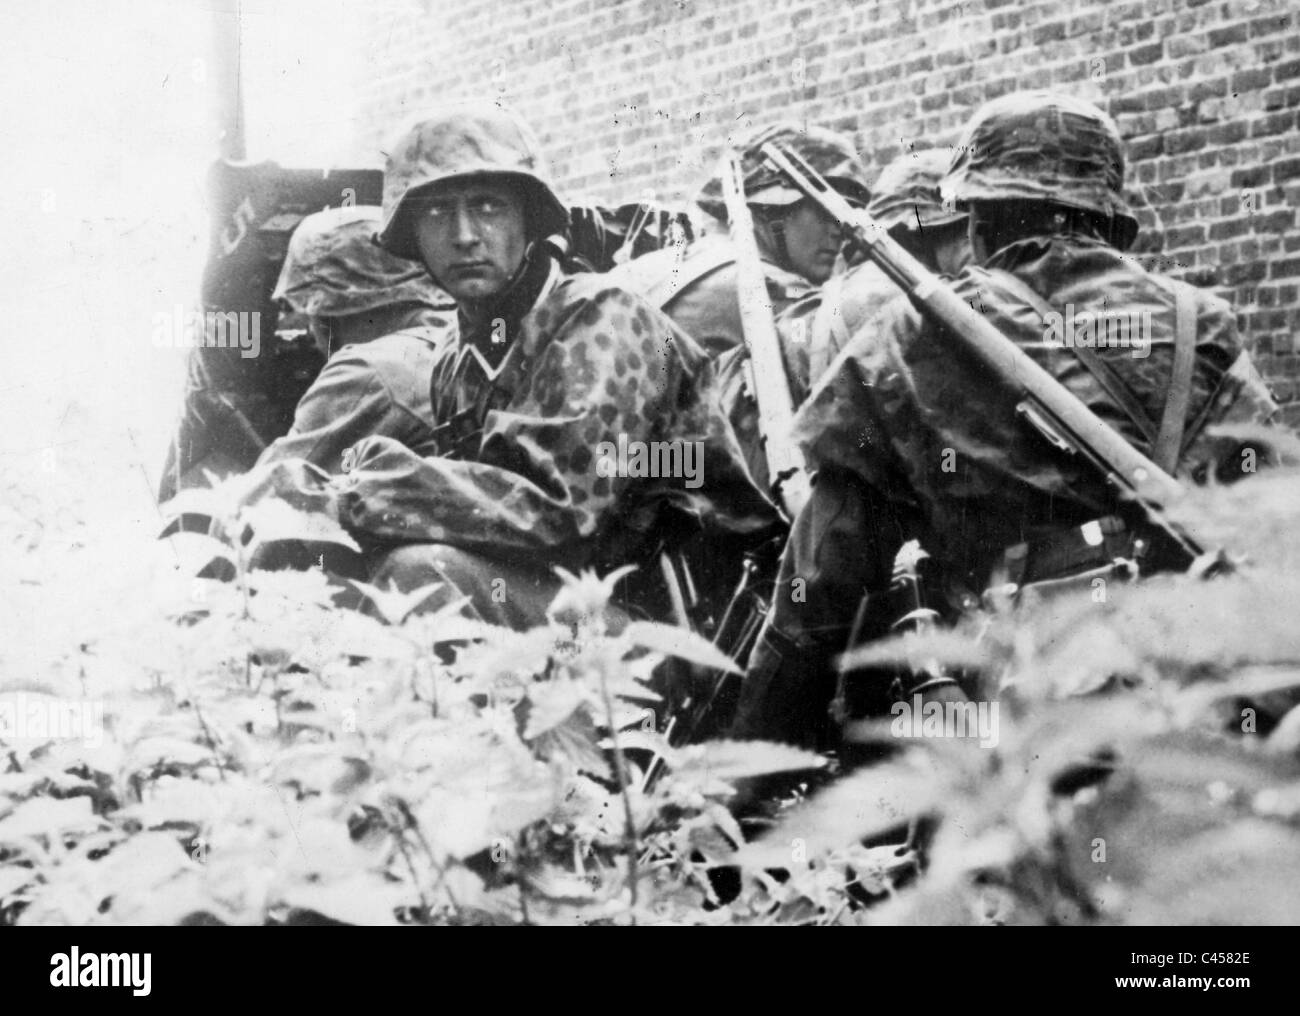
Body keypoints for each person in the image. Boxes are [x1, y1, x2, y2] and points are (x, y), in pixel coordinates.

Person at [731, 91, 1279, 749]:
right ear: (1111, 220)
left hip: (1013, 737)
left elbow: (816, 595)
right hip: (1199, 716)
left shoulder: (911, 340)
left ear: (976, 221)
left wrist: (745, 787)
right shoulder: (1202, 328)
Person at [240, 100, 778, 630]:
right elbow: (482, 510)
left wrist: (355, 489)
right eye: (436, 212)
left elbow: (559, 513)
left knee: (423, 576)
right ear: (413, 239)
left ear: (529, 218)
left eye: (488, 207)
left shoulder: (601, 318)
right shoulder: (458, 359)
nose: (465, 234)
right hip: (573, 603)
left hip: (689, 631)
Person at [615, 123, 872, 493]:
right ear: (770, 212)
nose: (839, 231)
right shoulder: (770, 288)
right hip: (675, 490)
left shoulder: (672, 261)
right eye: (823, 211)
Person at [257, 205, 455, 474]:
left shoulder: (370, 371)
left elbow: (267, 496)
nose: (314, 338)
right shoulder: (460, 339)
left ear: (328, 312)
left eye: (310, 311)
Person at [807, 147, 971, 384]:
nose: (976, 246)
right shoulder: (906, 308)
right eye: (963, 233)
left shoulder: (847, 291)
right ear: (921, 235)